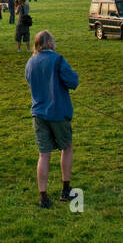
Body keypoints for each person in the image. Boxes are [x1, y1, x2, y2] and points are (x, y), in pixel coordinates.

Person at [25, 30, 79, 209]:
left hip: (38, 114)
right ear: (49, 43)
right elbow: (73, 81)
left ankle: (43, 196)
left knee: (44, 155)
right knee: (67, 147)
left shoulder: (30, 62)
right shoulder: (57, 59)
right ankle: (65, 189)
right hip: (58, 112)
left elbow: (29, 80)